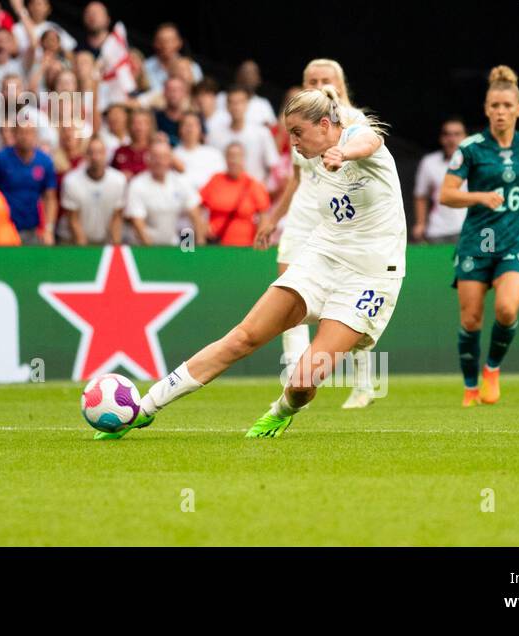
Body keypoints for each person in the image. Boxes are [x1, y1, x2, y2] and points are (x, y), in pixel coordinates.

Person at [105, 86, 405, 441]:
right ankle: (145, 407)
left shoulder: (357, 140)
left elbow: (367, 140)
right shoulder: (310, 155)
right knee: (242, 338)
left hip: (370, 275)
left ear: (325, 124)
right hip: (324, 257)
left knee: (304, 380)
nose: (292, 141)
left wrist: (343, 152)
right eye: (288, 133)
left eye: (297, 132)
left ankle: (282, 410)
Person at [439, 66, 519, 407]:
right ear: (486, 109)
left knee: (507, 310)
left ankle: (492, 369)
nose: (500, 112)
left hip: (515, 240)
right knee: (470, 319)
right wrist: (479, 196)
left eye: (506, 106)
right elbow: (447, 194)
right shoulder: (470, 148)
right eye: (494, 106)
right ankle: (470, 387)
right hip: (477, 240)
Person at [255, 59, 376, 408]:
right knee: (288, 294)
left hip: (341, 220)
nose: (320, 83)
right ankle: (295, 381)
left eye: (327, 79)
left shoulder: (354, 121)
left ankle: (364, 382)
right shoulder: (302, 124)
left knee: (349, 302)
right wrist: (273, 218)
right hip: (303, 215)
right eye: (313, 79)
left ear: (342, 83)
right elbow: (296, 179)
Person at [124, 139, 206, 247]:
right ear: (148, 159)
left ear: (170, 160)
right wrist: (153, 254)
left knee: (187, 226)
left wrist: (199, 247)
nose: (160, 161)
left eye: (164, 157)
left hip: (172, 245)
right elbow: (138, 223)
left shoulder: (181, 182)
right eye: (155, 157)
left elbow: (195, 214)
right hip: (143, 248)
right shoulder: (137, 184)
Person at [0, 119, 57, 244]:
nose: (26, 137)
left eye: (30, 133)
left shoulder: (44, 161)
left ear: (36, 135)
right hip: (5, 229)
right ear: (14, 134)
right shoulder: (1, 159)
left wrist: (49, 229)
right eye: (22, 132)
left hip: (33, 230)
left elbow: (50, 198)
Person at [199, 142, 271, 247]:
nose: (234, 160)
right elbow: (197, 206)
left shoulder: (253, 184)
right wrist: (202, 225)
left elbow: (264, 216)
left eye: (237, 156)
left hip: (244, 246)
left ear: (243, 159)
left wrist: (260, 240)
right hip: (216, 244)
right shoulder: (216, 180)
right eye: (230, 156)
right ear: (225, 159)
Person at [59, 136, 126, 245]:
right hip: (72, 242)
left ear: (106, 154)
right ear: (85, 155)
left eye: (100, 152)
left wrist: (115, 246)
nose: (96, 157)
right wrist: (85, 252)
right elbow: (73, 220)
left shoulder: (119, 180)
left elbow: (116, 218)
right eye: (91, 152)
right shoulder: (71, 181)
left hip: (104, 241)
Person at [412, 118, 468, 243]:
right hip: (437, 230)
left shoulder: (476, 162)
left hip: (466, 228)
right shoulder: (429, 162)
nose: (452, 139)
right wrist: (420, 224)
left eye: (457, 134)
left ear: (465, 137)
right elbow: (421, 195)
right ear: (441, 138)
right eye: (447, 134)